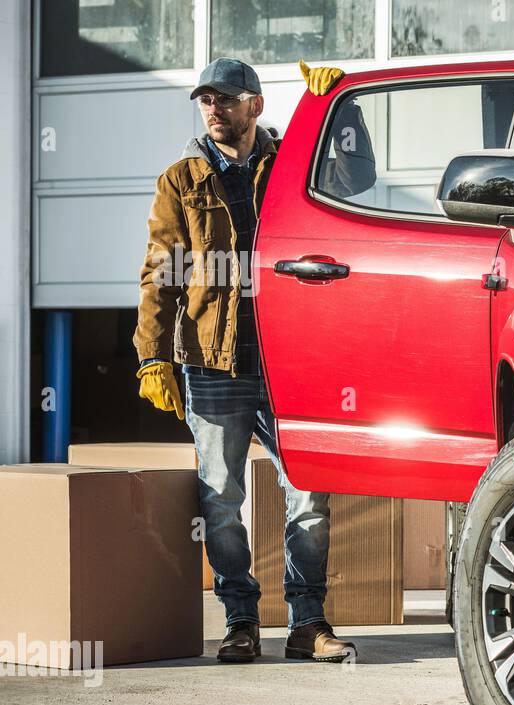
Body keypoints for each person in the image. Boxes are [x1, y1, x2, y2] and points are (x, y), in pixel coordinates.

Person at [133, 58, 376, 663]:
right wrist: (151, 357)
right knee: (220, 500)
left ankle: (307, 624)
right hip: (214, 365)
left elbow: (358, 179)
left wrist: (343, 104)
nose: (212, 109)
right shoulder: (180, 179)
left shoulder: (291, 162)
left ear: (255, 105)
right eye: (205, 100)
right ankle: (241, 621)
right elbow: (161, 273)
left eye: (225, 99)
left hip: (289, 364)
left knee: (309, 496)